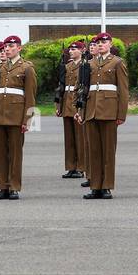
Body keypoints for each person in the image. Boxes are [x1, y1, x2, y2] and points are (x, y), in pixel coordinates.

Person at [0, 35, 38, 199]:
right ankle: (2, 186)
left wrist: (27, 120)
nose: (7, 49)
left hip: (16, 115)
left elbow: (30, 97)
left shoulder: (27, 68)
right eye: (6, 46)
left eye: (11, 46)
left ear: (19, 48)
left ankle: (13, 186)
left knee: (14, 153)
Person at [78, 33, 130, 199]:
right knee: (93, 151)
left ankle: (106, 186)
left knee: (107, 151)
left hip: (109, 110)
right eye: (98, 42)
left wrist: (121, 114)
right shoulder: (89, 63)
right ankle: (95, 186)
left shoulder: (117, 62)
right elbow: (82, 89)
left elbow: (123, 90)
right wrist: (80, 111)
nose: (100, 45)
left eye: (104, 42)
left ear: (110, 44)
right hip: (91, 111)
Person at [55, 41, 88, 179]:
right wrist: (59, 106)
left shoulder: (85, 66)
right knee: (69, 139)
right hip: (67, 103)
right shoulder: (67, 66)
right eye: (70, 49)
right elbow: (61, 87)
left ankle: (81, 167)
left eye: (75, 49)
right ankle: (71, 166)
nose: (71, 51)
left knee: (80, 138)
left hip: (77, 104)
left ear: (82, 51)